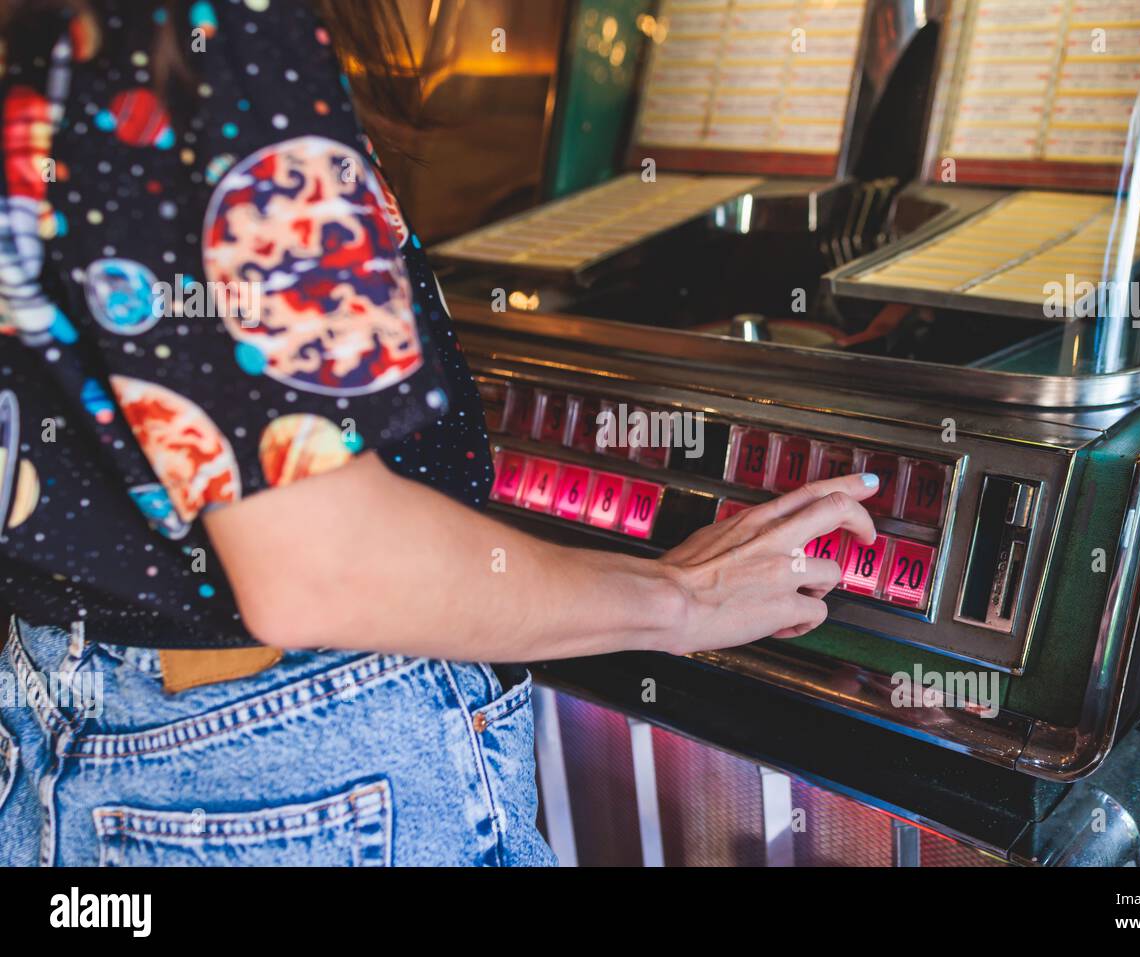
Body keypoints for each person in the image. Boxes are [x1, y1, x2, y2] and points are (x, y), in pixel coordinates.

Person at [0, 0, 879, 866]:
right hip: (280, 763)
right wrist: (684, 598)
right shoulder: (206, 24)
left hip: (67, 709)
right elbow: (324, 564)